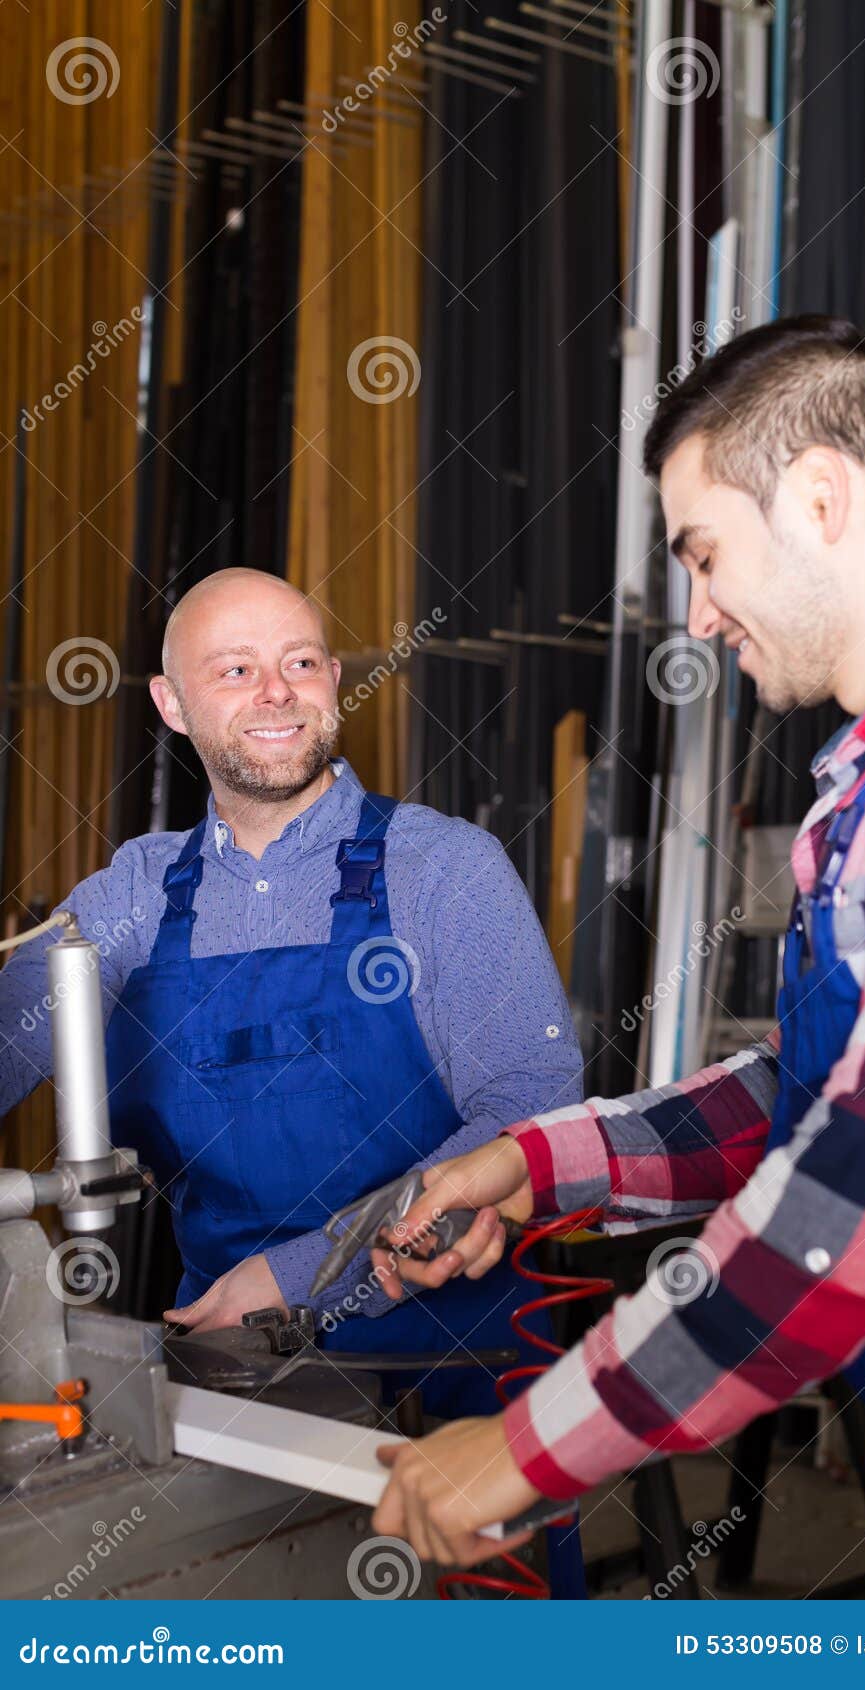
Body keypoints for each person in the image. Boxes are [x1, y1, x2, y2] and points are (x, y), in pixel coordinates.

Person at [369, 316, 865, 1597]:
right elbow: (808, 1094)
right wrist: (537, 1165)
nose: (696, 612)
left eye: (702, 553)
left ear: (815, 496)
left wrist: (533, 1448)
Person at [0, 568, 582, 1418]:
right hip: (232, 1364)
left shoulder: (444, 868)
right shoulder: (136, 894)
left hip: (456, 1361)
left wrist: (301, 1274)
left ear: (335, 684)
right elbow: (10, 1039)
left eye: (301, 662)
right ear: (170, 704)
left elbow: (533, 1107)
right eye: (234, 670)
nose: (276, 692)